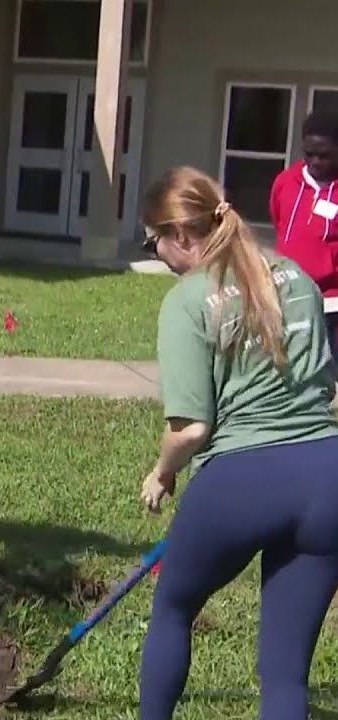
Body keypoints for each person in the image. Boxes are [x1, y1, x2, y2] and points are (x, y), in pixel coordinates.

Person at [136, 166, 338, 719]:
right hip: (328, 477)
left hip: (245, 481)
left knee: (174, 609)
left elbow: (191, 429)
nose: (158, 254)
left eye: (155, 242)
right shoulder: (296, 276)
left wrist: (162, 474)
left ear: (181, 235)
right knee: (285, 674)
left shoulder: (188, 299)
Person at [270, 110, 338, 357]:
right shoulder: (286, 181)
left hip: (332, 302)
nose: (316, 162)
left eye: (325, 155)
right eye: (309, 154)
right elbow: (279, 221)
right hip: (288, 295)